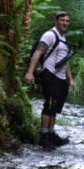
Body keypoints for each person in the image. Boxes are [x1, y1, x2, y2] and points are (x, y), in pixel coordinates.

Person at [23, 11, 76, 149]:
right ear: (56, 21)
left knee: (54, 108)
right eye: (62, 20)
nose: (65, 23)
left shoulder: (63, 38)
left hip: (60, 78)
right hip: (50, 75)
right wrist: (30, 72)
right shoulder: (49, 35)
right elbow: (37, 53)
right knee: (49, 106)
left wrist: (70, 79)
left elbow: (65, 61)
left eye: (67, 21)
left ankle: (51, 135)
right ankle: (44, 137)